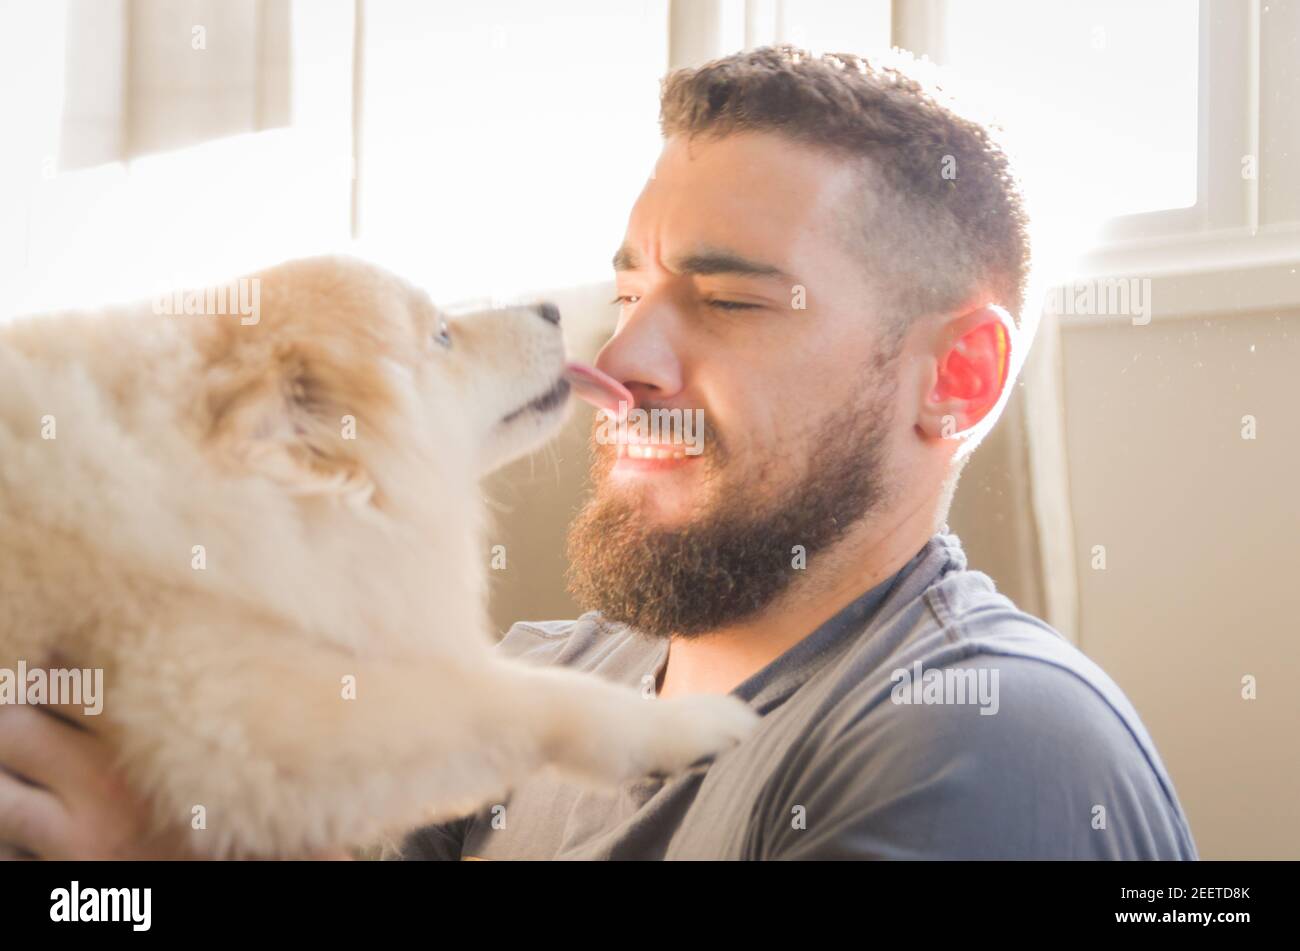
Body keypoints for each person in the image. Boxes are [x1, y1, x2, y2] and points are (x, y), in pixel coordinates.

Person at [0, 46, 1197, 861]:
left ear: (957, 378)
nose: (618, 359)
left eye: (728, 302)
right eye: (628, 290)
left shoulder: (980, 741)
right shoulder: (539, 680)